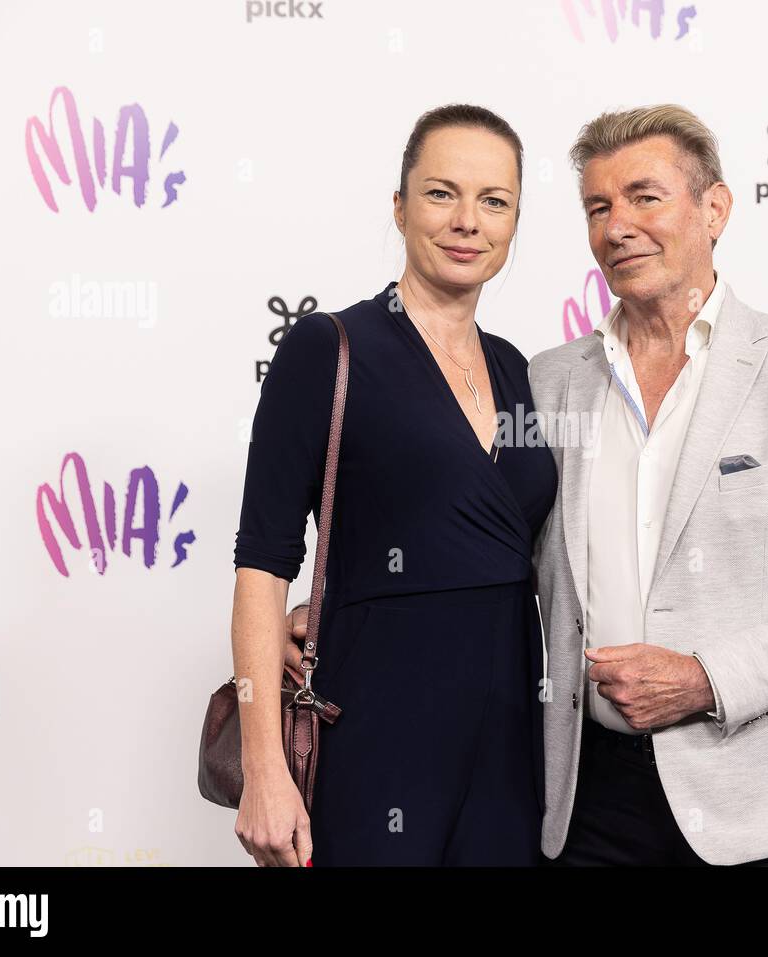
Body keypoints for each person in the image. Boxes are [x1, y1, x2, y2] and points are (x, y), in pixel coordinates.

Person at [526, 104, 768, 866]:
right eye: (597, 207)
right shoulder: (548, 383)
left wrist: (705, 679)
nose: (617, 226)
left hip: (762, 806)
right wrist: (340, 607)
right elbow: (495, 558)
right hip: (587, 806)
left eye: (644, 196)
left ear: (715, 209)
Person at [230, 104, 557, 866]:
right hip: (377, 737)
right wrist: (265, 769)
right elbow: (261, 563)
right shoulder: (329, 348)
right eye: (442, 193)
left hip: (511, 743)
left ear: (515, 220)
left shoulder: (520, 369)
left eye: (495, 200)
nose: (467, 221)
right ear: (401, 205)